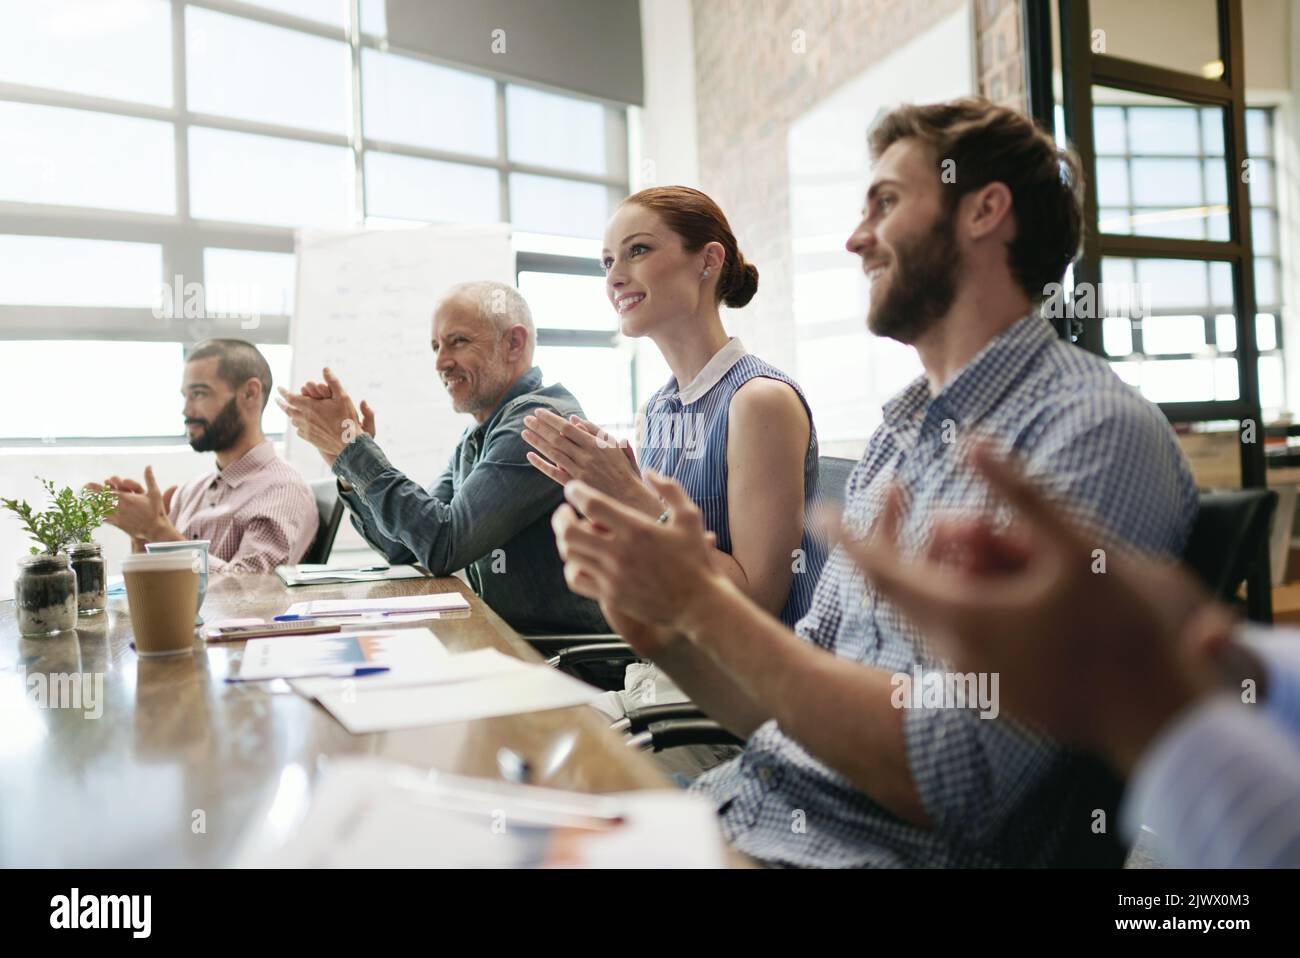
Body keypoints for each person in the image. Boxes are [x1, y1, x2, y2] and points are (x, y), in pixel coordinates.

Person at [551, 98, 1199, 867]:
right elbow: (785, 700)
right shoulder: (902, 436)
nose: (856, 239)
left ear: (985, 211)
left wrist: (697, 602)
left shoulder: (1091, 432)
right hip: (742, 808)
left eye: (886, 203)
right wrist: (656, 623)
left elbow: (961, 782)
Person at [847, 442, 1300, 868]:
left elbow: (952, 779)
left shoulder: (1102, 426)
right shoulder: (894, 439)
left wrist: (1143, 699)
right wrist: (1233, 663)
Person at [523, 187, 826, 633]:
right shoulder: (658, 410)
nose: (614, 278)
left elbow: (757, 602)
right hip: (676, 660)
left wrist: (631, 496)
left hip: (755, 686)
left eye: (637, 251)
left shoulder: (760, 402)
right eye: (608, 262)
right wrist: (612, 502)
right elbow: (660, 570)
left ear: (708, 260)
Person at [276, 280, 606, 634]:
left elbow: (443, 545)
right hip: (507, 646)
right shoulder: (479, 435)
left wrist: (353, 449)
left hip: (560, 662)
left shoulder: (538, 422)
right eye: (435, 347)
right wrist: (343, 463)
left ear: (514, 343)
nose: (440, 362)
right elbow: (405, 547)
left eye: (458, 341)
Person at [88, 339, 317, 573]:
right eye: (185, 396)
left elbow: (250, 592)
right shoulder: (191, 492)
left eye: (199, 394)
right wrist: (141, 534)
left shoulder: (282, 490)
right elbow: (162, 586)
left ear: (250, 393)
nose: (186, 411)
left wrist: (156, 530)